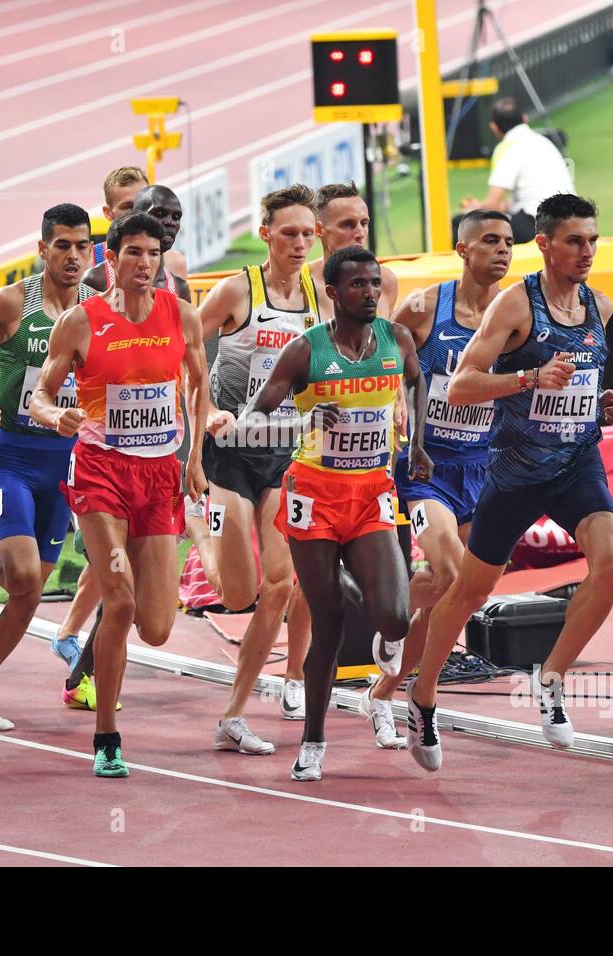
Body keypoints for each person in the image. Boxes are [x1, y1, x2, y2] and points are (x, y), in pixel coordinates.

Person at [407, 193, 613, 772]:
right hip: (514, 472)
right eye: (575, 241)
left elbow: (581, 383)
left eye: (593, 239)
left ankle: (551, 678)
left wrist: (604, 402)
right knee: (468, 593)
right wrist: (528, 377)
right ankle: (423, 696)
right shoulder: (515, 305)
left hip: (578, 462)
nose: (587, 251)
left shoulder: (601, 307)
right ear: (546, 244)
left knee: (611, 564)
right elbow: (458, 386)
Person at [28, 211, 209, 777]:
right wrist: (56, 415)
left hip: (159, 477)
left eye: (153, 254)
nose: (145, 264)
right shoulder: (82, 322)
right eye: (133, 253)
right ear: (110, 257)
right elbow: (39, 394)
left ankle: (109, 611)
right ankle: (106, 734)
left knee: (155, 627)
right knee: (123, 600)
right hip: (101, 473)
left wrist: (195, 456)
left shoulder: (181, 315)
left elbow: (199, 383)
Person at [243, 246, 431, 782]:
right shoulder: (306, 351)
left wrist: (416, 445)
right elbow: (254, 418)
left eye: (374, 283)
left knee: (395, 615)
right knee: (326, 624)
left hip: (372, 489)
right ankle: (314, 741)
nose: (370, 292)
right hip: (314, 495)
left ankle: (366, 602)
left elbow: (417, 382)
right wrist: (301, 426)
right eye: (357, 285)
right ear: (332, 292)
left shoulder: (396, 339)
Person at [354, 210, 513, 749]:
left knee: (469, 587)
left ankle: (384, 691)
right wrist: (397, 402)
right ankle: (405, 647)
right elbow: (384, 362)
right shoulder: (424, 309)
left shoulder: (516, 316)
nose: (502, 250)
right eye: (489, 240)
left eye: (508, 242)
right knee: (448, 572)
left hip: (486, 469)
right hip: (428, 469)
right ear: (462, 249)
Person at [0, 203, 94, 730]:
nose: (74, 255)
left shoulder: (95, 310)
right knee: (30, 583)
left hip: (65, 468)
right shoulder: (13, 302)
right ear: (42, 249)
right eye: (63, 245)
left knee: (26, 585)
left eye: (83, 246)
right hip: (11, 457)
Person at [197, 184, 323, 755]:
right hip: (229, 458)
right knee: (237, 593)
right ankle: (198, 526)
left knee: (279, 586)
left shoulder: (321, 298)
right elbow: (182, 347)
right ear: (266, 233)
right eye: (288, 232)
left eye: (307, 233)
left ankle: (233, 714)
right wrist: (206, 409)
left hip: (284, 458)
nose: (299, 243)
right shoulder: (236, 292)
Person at [459, 98, 574, 244]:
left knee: (464, 227)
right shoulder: (544, 141)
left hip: (537, 224)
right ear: (524, 119)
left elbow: (493, 206)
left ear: (494, 127)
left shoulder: (507, 147)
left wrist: (474, 209)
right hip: (570, 221)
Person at [84, 185, 191, 302]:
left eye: (176, 217)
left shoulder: (179, 288)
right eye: (159, 214)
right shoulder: (95, 280)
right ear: (136, 216)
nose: (170, 222)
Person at [308, 182, 400, 318]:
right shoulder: (299, 283)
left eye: (364, 223)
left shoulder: (385, 281)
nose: (360, 233)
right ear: (319, 229)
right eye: (347, 224)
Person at [90, 168, 189, 279]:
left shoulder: (175, 263)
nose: (137, 212)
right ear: (108, 213)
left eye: (144, 205)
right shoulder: (89, 262)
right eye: (128, 207)